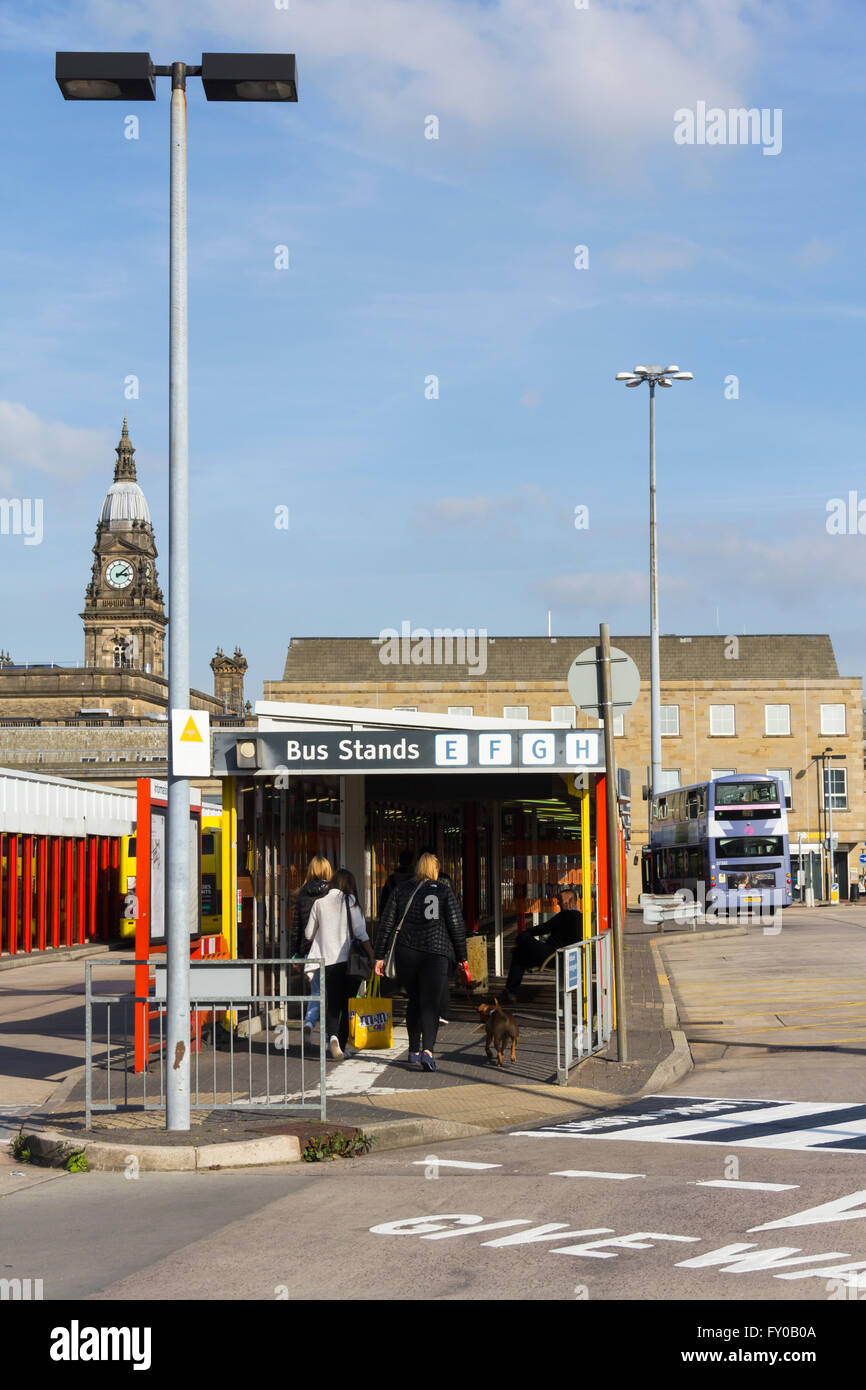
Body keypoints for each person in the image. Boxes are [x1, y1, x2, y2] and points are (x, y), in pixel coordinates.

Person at [374, 852, 469, 1072]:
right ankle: (428, 1051)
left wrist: (379, 956)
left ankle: (413, 1050)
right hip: (435, 953)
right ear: (434, 869)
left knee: (415, 999)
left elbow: (387, 924)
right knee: (430, 1002)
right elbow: (456, 926)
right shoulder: (444, 891)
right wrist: (462, 958)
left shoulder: (401, 889)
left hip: (407, 953)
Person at [305, 866, 375, 1061]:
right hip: (351, 962)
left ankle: (333, 1037)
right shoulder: (351, 901)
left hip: (327, 962)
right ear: (349, 884)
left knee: (333, 1003)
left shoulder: (319, 903)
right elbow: (361, 933)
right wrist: (371, 955)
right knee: (347, 1003)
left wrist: (323, 930)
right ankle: (341, 1045)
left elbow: (308, 933)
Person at [501, 887, 582, 1001]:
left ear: (568, 902)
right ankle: (509, 991)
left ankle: (510, 992)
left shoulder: (565, 915)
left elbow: (544, 928)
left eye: (560, 900)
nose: (558, 903)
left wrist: (526, 933)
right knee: (519, 954)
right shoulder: (579, 917)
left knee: (521, 942)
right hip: (563, 955)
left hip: (553, 955)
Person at [290, 856, 333, 1045]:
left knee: (316, 991)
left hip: (309, 950)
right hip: (330, 949)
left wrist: (296, 954)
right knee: (330, 992)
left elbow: (296, 927)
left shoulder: (301, 894)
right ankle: (328, 1035)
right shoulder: (331, 893)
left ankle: (309, 1022)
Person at [378, 848, 414, 918]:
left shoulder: (391, 879)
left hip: (394, 917)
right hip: (411, 919)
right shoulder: (417, 879)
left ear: (399, 861)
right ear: (412, 862)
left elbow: (384, 902)